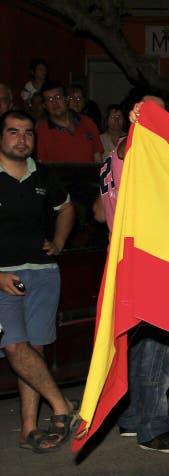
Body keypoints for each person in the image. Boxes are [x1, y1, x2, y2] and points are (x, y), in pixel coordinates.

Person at [97, 92, 169, 453]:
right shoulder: (129, 147)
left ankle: (135, 417)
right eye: (153, 113)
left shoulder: (114, 156)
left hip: (129, 259)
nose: (160, 121)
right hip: (144, 261)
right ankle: (152, 429)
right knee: (160, 345)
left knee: (142, 345)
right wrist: (140, 120)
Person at [0, 109, 77, 452]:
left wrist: (59, 242)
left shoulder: (44, 175)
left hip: (44, 273)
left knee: (35, 349)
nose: (22, 139)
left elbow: (67, 207)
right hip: (4, 275)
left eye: (28, 132)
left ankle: (29, 427)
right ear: (1, 136)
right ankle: (62, 406)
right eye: (14, 132)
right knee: (15, 347)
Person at [36, 81, 103, 163]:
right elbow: (41, 164)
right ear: (44, 105)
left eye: (58, 97)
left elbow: (98, 158)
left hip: (89, 175)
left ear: (66, 99)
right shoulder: (42, 131)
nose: (54, 103)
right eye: (49, 99)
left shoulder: (87, 122)